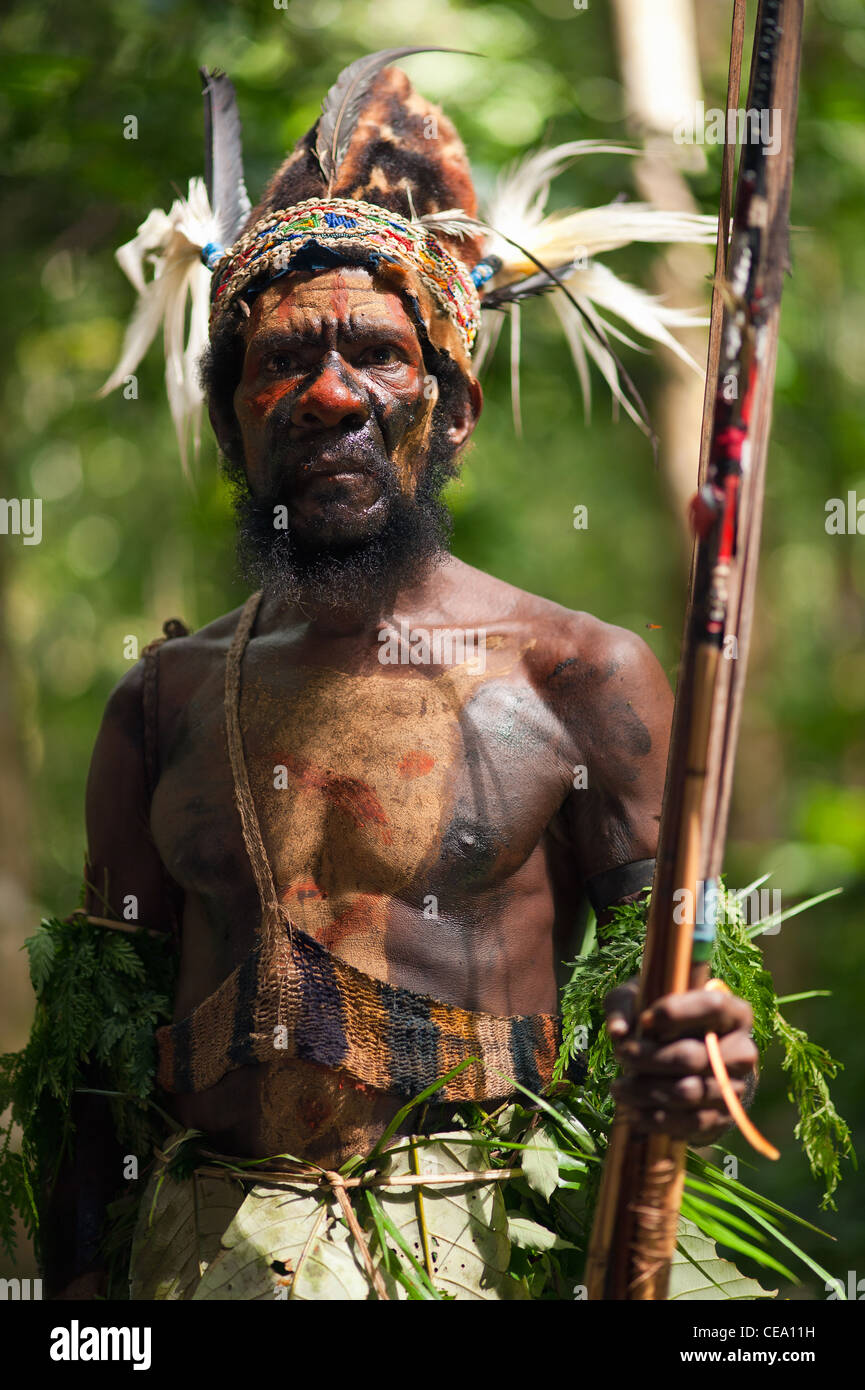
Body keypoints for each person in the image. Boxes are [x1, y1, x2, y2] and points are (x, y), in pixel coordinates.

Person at [47, 54, 756, 1300]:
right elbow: (91, 1080)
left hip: (488, 1245)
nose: (331, 393)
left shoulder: (581, 675)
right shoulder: (159, 702)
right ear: (232, 423)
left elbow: (681, 987)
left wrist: (697, 1063)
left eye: (376, 352)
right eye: (282, 361)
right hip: (206, 1259)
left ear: (455, 409)